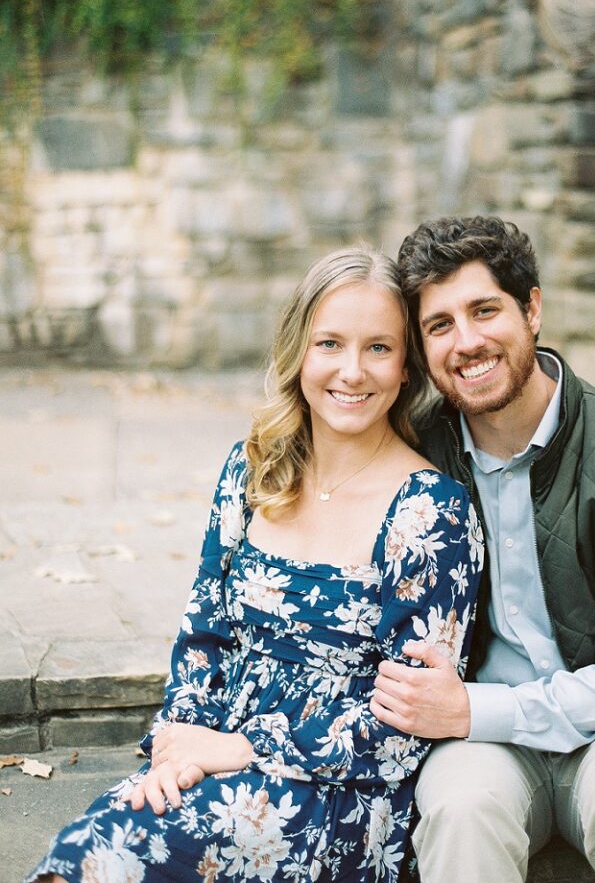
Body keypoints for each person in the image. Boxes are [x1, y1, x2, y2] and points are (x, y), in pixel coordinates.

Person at [27, 247, 484, 883]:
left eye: (378, 348)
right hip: (209, 756)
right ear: (299, 351)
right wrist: (177, 745)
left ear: (406, 367)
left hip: (334, 792)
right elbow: (203, 636)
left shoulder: (430, 511)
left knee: (109, 859)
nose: (352, 371)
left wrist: (240, 749)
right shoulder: (251, 472)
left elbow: (407, 721)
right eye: (330, 343)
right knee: (77, 857)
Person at [371, 216, 595, 883]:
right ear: (422, 348)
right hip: (482, 745)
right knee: (457, 808)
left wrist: (472, 708)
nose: (468, 342)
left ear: (532, 308)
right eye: (440, 325)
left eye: (485, 310)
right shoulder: (413, 455)